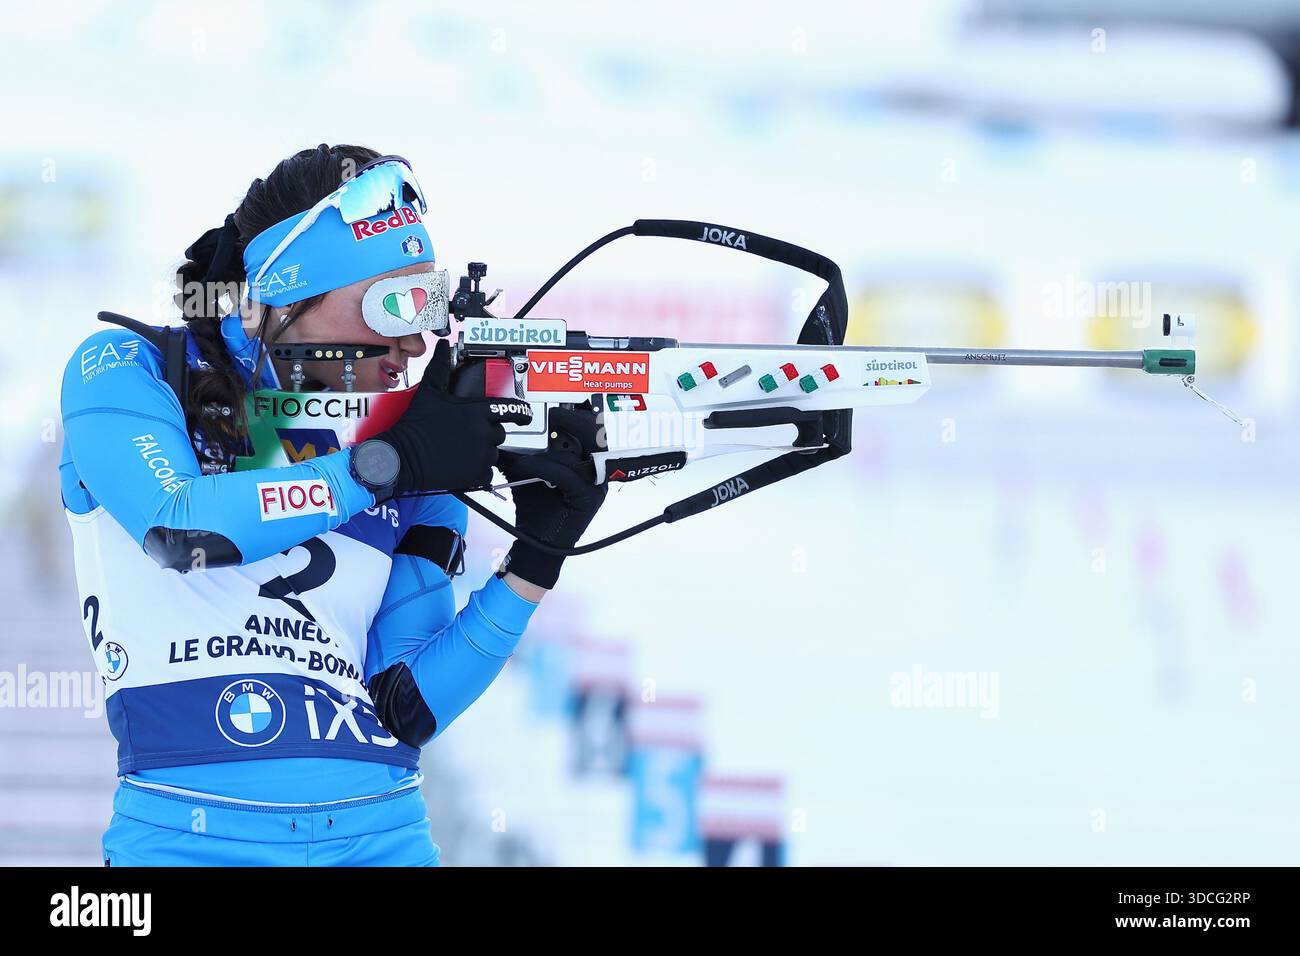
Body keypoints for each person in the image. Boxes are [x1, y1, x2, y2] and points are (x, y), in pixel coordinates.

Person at [58, 144, 606, 865]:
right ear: (287, 293)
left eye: (430, 303)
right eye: (394, 303)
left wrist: (535, 560)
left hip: (383, 837)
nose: (416, 338)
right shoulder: (128, 371)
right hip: (188, 839)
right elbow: (179, 525)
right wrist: (384, 465)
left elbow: (405, 704)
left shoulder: (396, 443)